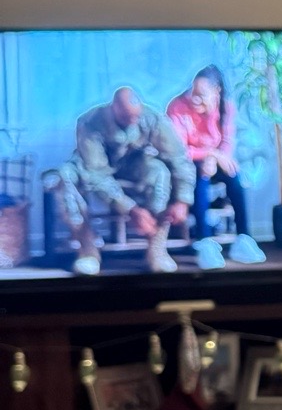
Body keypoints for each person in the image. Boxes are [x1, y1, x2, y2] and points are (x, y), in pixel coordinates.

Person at [47, 86, 195, 275]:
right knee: (65, 176)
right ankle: (87, 250)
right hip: (94, 168)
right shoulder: (90, 122)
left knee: (160, 171)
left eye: (136, 117)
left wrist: (182, 200)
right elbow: (96, 173)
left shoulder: (152, 118)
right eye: (126, 118)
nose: (133, 121)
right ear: (113, 108)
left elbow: (179, 158)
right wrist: (131, 209)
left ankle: (157, 248)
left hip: (133, 165)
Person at [166, 65, 253, 248]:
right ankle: (204, 240)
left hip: (214, 160)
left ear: (217, 91)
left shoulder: (226, 108)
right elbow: (179, 151)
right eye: (193, 93)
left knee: (233, 174)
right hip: (186, 164)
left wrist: (215, 158)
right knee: (201, 175)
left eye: (202, 95)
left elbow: (227, 142)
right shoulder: (177, 107)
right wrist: (211, 154)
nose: (195, 99)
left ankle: (245, 238)